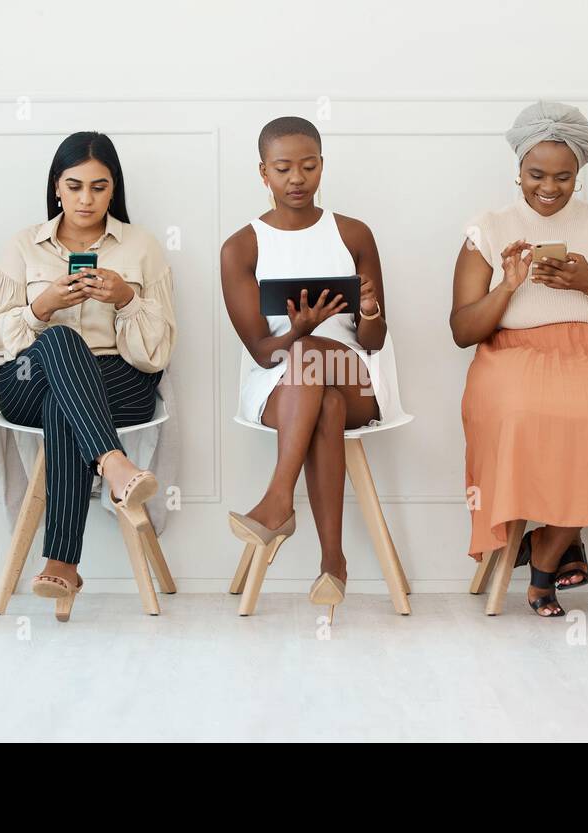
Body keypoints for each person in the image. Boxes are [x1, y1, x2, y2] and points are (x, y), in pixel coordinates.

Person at [451, 101, 588, 619]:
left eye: (563, 177)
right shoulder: (488, 227)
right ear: (518, 169)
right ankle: (550, 555)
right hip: (512, 356)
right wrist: (508, 286)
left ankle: (545, 556)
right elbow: (462, 331)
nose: (548, 187)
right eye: (536, 174)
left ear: (580, 173)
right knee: (522, 415)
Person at [0, 131, 176, 622]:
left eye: (98, 187)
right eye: (74, 186)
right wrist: (41, 307)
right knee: (62, 344)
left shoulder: (142, 247)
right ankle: (114, 465)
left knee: (62, 407)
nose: (85, 199)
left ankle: (62, 561)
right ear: (56, 188)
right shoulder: (23, 246)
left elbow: (158, 353)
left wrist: (126, 300)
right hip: (29, 372)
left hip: (120, 377)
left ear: (114, 189)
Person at [220, 116, 407, 622]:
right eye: (283, 168)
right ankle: (333, 562)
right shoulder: (242, 247)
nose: (297, 178)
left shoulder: (353, 233)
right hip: (278, 383)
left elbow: (374, 339)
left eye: (308, 166)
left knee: (315, 358)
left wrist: (366, 312)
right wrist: (300, 330)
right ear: (263, 173)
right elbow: (263, 351)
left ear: (322, 165)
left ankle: (277, 503)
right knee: (315, 386)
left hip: (357, 378)